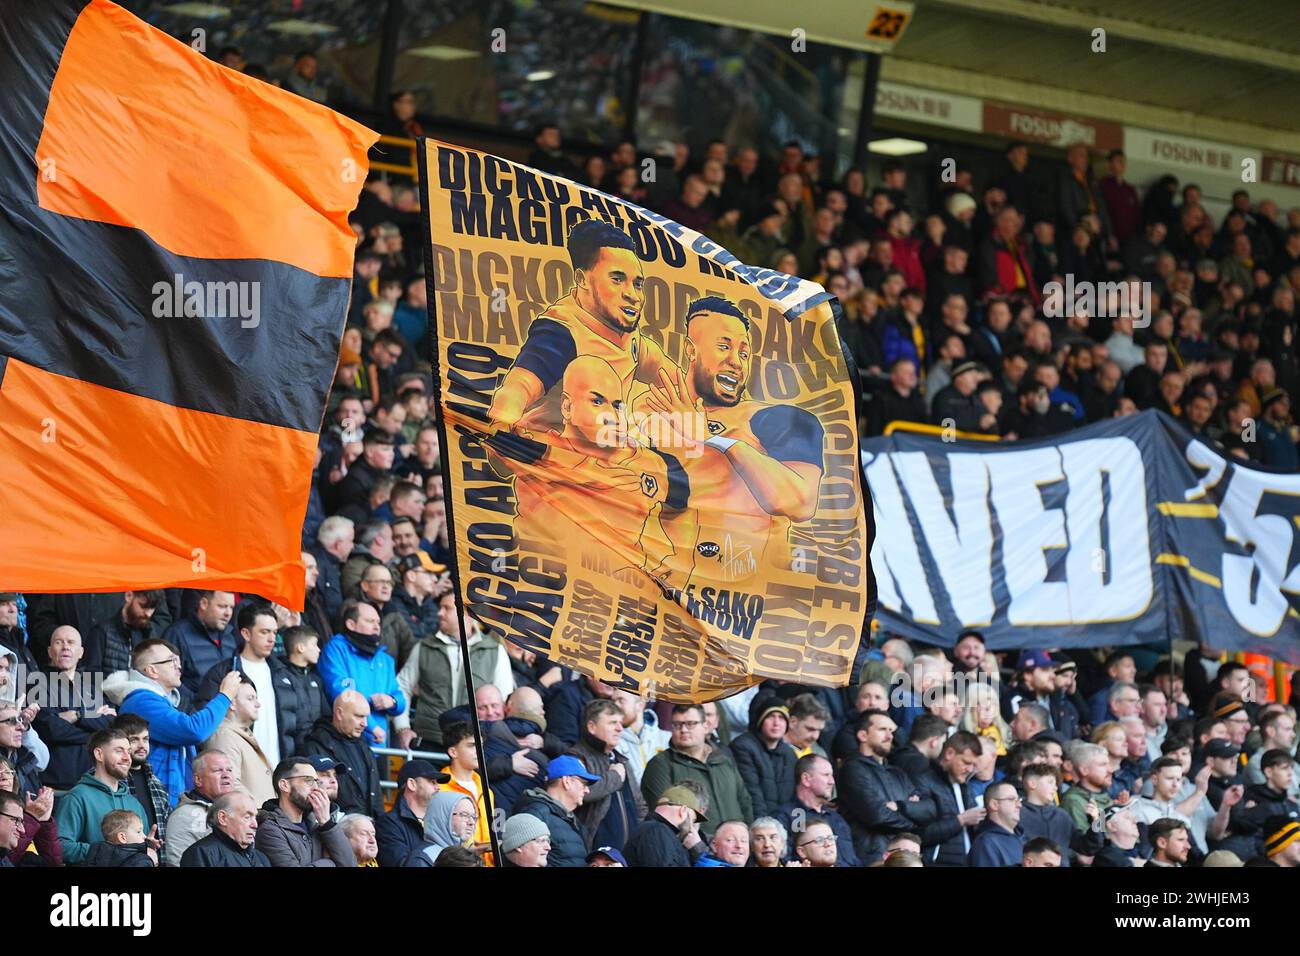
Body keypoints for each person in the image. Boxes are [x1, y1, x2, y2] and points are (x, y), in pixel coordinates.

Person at [105, 638, 240, 805]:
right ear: (152, 670)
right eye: (171, 661)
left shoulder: (159, 701)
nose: (179, 665)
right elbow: (194, 730)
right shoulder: (141, 701)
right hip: (155, 801)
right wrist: (225, 695)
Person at [393, 591, 512, 750]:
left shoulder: (495, 650)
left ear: (468, 614)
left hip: (476, 746)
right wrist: (402, 728)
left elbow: (504, 698)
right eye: (440, 607)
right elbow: (401, 687)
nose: (439, 613)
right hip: (430, 742)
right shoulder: (424, 647)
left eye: (446, 608)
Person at [641, 703, 753, 838]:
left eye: (690, 724)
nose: (683, 729)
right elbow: (664, 816)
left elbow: (745, 803)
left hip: (735, 848)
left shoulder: (723, 760)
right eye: (677, 725)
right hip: (692, 850)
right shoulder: (660, 765)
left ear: (705, 726)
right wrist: (698, 846)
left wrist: (746, 839)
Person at [839, 710, 935, 865]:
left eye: (891, 731)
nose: (890, 736)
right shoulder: (853, 768)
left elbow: (929, 808)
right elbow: (877, 815)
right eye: (882, 730)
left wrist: (900, 806)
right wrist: (914, 822)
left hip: (904, 858)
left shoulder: (897, 772)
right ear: (863, 735)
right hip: (871, 857)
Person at [31, 626, 116, 789]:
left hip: (95, 781)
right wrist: (94, 730)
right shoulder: (37, 684)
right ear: (50, 651)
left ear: (81, 652)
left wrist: (77, 716)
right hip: (56, 783)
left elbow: (110, 725)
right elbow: (51, 729)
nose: (65, 647)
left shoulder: (92, 687)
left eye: (71, 642)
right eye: (58, 642)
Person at [53, 727, 148, 865]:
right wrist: (104, 852)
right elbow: (60, 846)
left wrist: (148, 848)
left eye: (128, 751)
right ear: (99, 754)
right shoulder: (77, 797)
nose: (127, 758)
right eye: (119, 751)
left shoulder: (133, 802)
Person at [317, 599, 406, 745]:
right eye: (370, 621)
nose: (376, 626)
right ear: (351, 624)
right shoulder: (336, 649)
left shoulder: (385, 659)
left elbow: (400, 699)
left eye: (378, 622)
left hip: (380, 743)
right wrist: (372, 727)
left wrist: (392, 701)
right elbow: (342, 693)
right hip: (346, 740)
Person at [567, 698, 644, 853]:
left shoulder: (622, 760)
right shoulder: (575, 757)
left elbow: (640, 805)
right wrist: (614, 777)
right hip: (596, 854)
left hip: (629, 854)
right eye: (612, 723)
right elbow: (584, 793)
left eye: (621, 723)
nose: (619, 729)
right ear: (592, 727)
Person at [255, 757, 356, 867]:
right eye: (309, 781)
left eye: (316, 782)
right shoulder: (269, 830)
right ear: (285, 785)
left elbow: (350, 864)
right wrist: (330, 863)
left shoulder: (317, 826)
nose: (316, 788)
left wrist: (327, 823)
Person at [302, 691, 383, 818]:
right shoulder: (315, 745)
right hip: (337, 827)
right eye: (359, 716)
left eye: (366, 717)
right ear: (339, 713)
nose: (365, 724)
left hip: (367, 828)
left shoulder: (364, 747)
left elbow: (376, 796)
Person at [510, 754, 597, 867]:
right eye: (584, 783)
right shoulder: (535, 813)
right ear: (567, 781)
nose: (587, 791)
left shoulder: (569, 818)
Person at [915, 731, 985, 866]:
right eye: (966, 762)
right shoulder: (924, 781)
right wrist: (961, 820)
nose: (970, 769)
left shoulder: (964, 786)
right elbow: (921, 834)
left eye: (973, 765)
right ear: (949, 754)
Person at [776, 754, 860, 866]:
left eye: (832, 775)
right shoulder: (789, 816)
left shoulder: (836, 819)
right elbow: (786, 859)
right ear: (806, 779)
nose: (832, 782)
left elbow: (853, 860)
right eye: (826, 775)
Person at [202, 677, 275, 806]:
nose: (258, 704)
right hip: (251, 819)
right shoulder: (223, 735)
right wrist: (255, 812)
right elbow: (229, 784)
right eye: (250, 698)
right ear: (232, 703)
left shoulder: (239, 733)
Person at [164, 751, 235, 867]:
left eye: (229, 770)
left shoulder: (240, 812)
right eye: (218, 770)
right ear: (198, 780)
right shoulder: (183, 816)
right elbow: (179, 864)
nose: (226, 775)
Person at [375, 758, 449, 867]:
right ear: (412, 784)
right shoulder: (388, 824)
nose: (438, 787)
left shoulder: (442, 822)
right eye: (432, 782)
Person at [440, 722, 495, 864]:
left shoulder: (487, 791)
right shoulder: (439, 789)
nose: (479, 751)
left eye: (480, 746)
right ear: (453, 752)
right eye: (472, 746)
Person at [731, 699, 797, 818]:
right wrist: (764, 827)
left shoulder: (789, 753)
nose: (776, 723)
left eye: (782, 718)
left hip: (783, 825)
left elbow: (794, 797)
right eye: (771, 716)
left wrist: (797, 829)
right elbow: (752, 794)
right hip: (759, 826)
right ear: (761, 721)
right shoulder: (743, 746)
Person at [164, 590, 237, 693]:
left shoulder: (230, 636)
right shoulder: (178, 634)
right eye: (222, 606)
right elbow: (167, 681)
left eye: (231, 608)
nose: (228, 613)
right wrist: (196, 707)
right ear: (204, 604)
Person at [112, 714, 169, 842]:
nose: (142, 745)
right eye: (134, 740)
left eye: (145, 739)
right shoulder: (110, 780)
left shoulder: (156, 783)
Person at [623, 784, 708, 868]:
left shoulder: (656, 831)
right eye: (692, 820)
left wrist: (696, 851)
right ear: (683, 811)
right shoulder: (657, 831)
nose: (692, 827)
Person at [179, 792, 271, 867]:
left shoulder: (262, 858)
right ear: (223, 818)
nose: (255, 825)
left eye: (255, 818)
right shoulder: (200, 854)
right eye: (247, 817)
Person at [612, 688, 670, 784]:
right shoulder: (613, 741)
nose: (615, 706)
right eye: (613, 701)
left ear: (640, 705)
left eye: (621, 700)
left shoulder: (666, 739)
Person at [409, 791, 479, 866]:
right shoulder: (422, 859)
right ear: (443, 816)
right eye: (464, 815)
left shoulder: (466, 856)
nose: (472, 822)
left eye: (474, 817)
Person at [969, 780, 1025, 866]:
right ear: (994, 804)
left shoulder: (1022, 837)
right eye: (1011, 799)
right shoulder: (986, 843)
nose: (1019, 805)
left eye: (1019, 799)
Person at [1061, 742, 1114, 830]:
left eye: (1108, 764)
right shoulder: (1074, 802)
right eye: (1103, 765)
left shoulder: (1105, 797)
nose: (1110, 770)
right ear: (1084, 770)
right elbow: (1086, 842)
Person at [83, 809, 156, 868]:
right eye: (139, 831)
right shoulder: (142, 860)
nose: (144, 836)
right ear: (122, 837)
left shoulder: (95, 852)